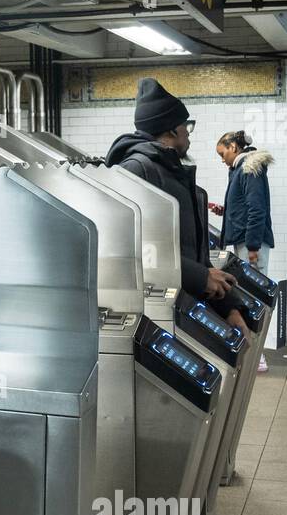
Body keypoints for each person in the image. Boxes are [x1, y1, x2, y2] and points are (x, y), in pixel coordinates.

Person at [105, 78, 248, 333]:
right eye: (186, 126)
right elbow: (128, 249)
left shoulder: (172, 172)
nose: (188, 133)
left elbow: (194, 253)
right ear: (171, 130)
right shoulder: (136, 171)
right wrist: (200, 277)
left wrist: (229, 306)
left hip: (187, 303)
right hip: (159, 316)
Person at [215, 129, 274, 372]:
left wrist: (251, 248)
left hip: (252, 243)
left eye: (222, 153)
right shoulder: (241, 169)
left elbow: (257, 210)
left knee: (254, 298)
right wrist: (225, 210)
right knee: (248, 296)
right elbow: (245, 206)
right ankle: (254, 355)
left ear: (233, 147)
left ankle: (258, 357)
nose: (222, 159)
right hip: (246, 241)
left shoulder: (250, 169)